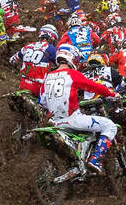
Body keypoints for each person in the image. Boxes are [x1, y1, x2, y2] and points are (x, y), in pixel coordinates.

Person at [39, 45, 118, 178]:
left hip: (55, 122)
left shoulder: (47, 77)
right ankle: (95, 160)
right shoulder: (73, 74)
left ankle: (77, 162)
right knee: (110, 126)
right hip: (73, 119)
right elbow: (94, 86)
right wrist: (111, 94)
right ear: (71, 58)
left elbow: (42, 101)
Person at [8, 24, 60, 98]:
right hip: (38, 87)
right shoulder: (51, 49)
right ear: (52, 37)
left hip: (23, 84)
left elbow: (12, 60)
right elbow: (61, 66)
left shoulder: (28, 46)